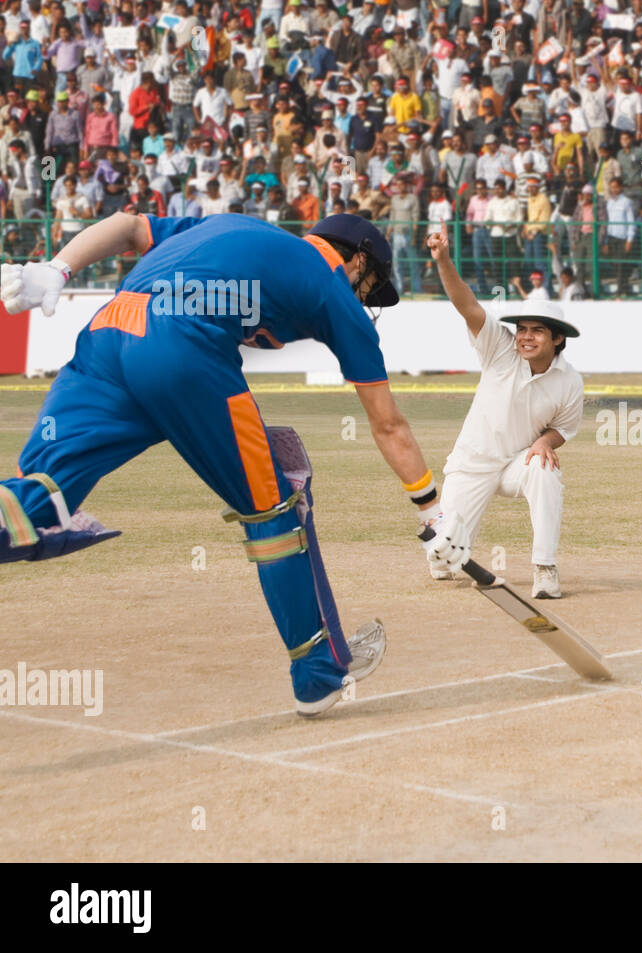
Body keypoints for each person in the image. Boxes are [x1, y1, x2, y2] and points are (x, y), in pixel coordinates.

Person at [0, 213, 470, 716]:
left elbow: (127, 226)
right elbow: (388, 425)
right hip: (181, 345)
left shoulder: (233, 226)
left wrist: (58, 267)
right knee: (273, 504)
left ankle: (16, 516)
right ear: (357, 259)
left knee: (39, 491)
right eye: (370, 285)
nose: (364, 299)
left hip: (108, 333)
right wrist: (432, 511)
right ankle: (316, 673)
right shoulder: (333, 288)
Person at [425, 224, 584, 600]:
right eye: (522, 329)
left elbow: (563, 427)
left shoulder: (571, 381)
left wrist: (546, 441)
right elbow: (466, 304)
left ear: (557, 338)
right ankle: (443, 550)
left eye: (537, 331)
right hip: (472, 463)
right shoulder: (499, 347)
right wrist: (443, 259)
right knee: (443, 561)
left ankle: (545, 568)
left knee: (544, 468)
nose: (525, 337)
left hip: (516, 463)